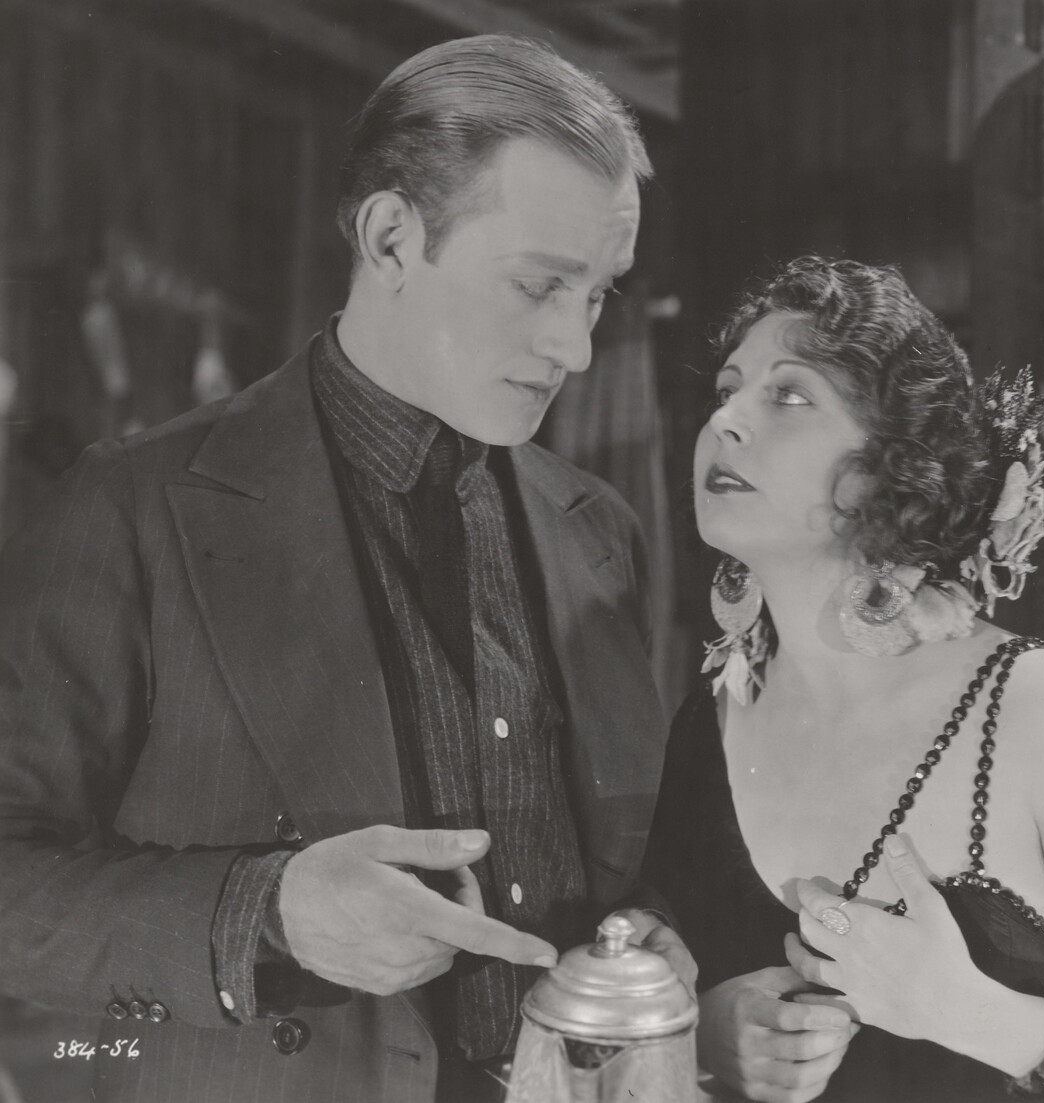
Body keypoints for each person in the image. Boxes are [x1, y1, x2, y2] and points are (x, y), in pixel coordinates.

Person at [0, 34, 688, 1103]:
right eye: (540, 285)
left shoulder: (598, 526)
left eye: (596, 294)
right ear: (390, 237)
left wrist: (651, 929)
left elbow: (623, 855)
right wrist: (265, 911)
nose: (577, 347)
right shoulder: (130, 504)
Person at [643, 257, 1044, 1102]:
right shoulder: (703, 728)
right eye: (727, 386)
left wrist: (971, 1013)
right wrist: (706, 1038)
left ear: (889, 465)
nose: (726, 420)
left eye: (788, 395)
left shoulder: (1036, 706)